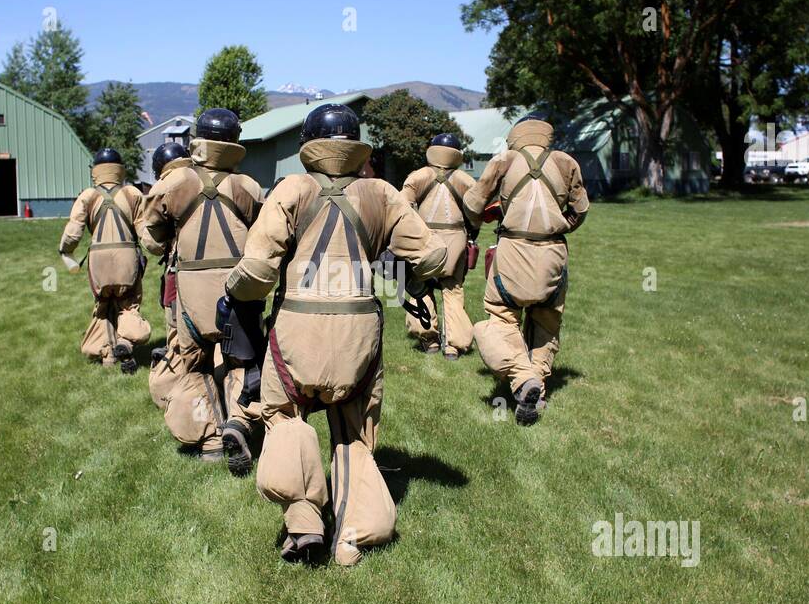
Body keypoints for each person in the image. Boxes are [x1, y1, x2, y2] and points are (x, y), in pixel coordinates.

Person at [221, 103, 447, 565]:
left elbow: (259, 270)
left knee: (284, 417)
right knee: (354, 436)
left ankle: (304, 519)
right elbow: (433, 256)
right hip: (359, 337)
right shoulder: (381, 193)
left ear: (310, 145)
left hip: (296, 335)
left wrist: (233, 288)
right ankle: (353, 537)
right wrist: (403, 274)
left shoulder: (291, 189)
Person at [137, 110, 264, 469]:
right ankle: (239, 421)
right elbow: (265, 236)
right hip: (237, 295)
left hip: (189, 296)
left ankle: (208, 439)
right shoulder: (248, 187)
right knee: (243, 360)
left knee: (192, 367)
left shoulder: (174, 184)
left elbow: (154, 237)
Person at [463, 113, 589, 425]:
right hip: (553, 255)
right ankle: (537, 389)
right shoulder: (564, 161)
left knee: (499, 318)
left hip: (512, 253)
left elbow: (474, 204)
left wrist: (498, 215)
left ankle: (521, 378)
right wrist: (558, 227)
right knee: (546, 324)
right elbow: (581, 209)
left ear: (516, 133)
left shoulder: (504, 159)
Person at [58, 148, 150, 372]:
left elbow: (74, 231)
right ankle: (126, 342)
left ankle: (107, 355)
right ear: (120, 169)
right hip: (126, 257)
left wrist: (65, 250)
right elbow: (146, 232)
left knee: (102, 306)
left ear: (96, 171)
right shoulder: (132, 194)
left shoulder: (88, 195)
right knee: (128, 305)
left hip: (98, 260)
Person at [401, 132, 476, 359]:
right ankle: (454, 346)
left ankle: (429, 338)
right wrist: (472, 233)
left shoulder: (419, 175)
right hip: (455, 239)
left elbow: (402, 205)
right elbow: (477, 208)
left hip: (425, 240)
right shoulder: (464, 179)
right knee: (452, 290)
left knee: (420, 287)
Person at [147, 141, 191, 408]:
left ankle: (179, 398)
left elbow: (153, 241)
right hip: (221, 272)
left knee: (177, 335)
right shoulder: (205, 178)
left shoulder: (163, 188)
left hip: (180, 271)